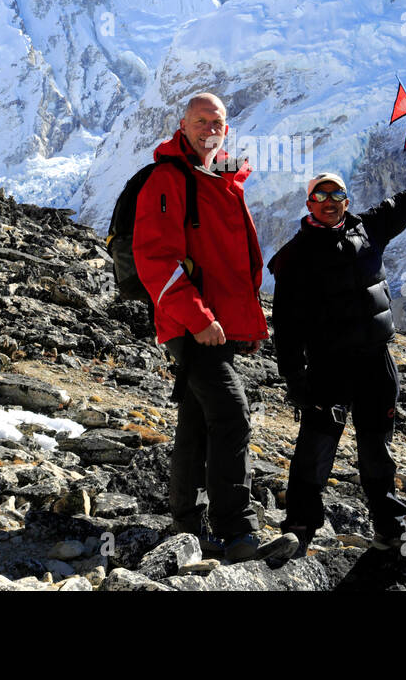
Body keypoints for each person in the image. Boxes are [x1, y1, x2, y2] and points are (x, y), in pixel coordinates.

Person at [268, 156, 406, 557]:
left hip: (375, 360)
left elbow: (401, 204)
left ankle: (391, 531)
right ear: (309, 204)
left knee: (377, 448)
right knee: (315, 448)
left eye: (337, 194)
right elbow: (285, 325)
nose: (329, 201)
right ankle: (299, 528)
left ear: (346, 201)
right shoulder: (295, 256)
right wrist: (294, 379)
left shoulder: (368, 228)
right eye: (320, 195)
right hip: (327, 365)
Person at [131, 92, 273, 562]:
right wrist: (200, 318)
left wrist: (243, 326)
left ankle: (187, 530)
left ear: (226, 128)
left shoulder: (220, 180)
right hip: (191, 326)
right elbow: (156, 258)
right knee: (232, 414)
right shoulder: (169, 180)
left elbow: (231, 264)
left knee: (196, 423)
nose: (210, 128)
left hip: (216, 327)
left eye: (217, 121)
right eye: (200, 121)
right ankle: (238, 532)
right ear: (183, 125)